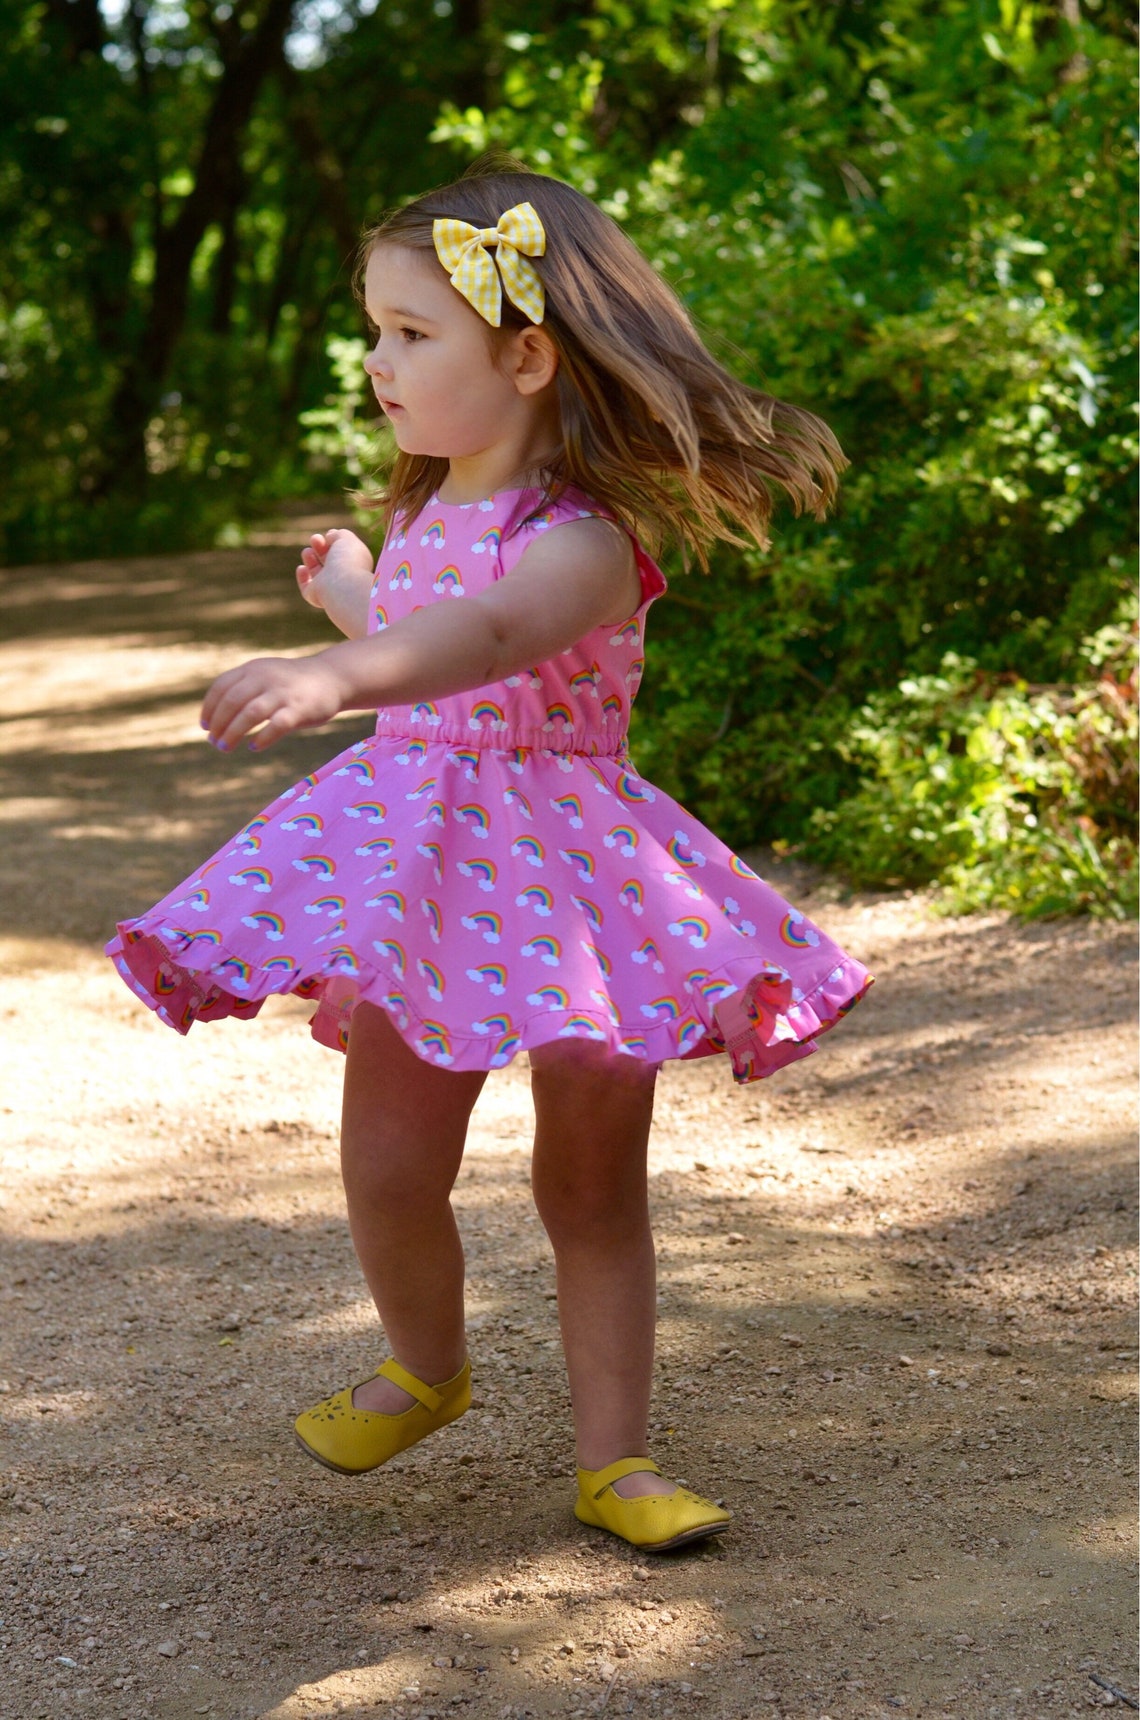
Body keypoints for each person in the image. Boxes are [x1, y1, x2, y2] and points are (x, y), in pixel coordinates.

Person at [107, 163, 872, 1554]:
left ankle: (614, 1460)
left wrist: (340, 666)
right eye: (376, 330)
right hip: (426, 885)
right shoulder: (425, 518)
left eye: (411, 333)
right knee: (390, 1162)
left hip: (572, 884)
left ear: (525, 356)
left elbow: (495, 639)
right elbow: (434, 635)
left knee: (589, 1181)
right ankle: (426, 1366)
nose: (377, 361)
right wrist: (356, 592)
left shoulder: (581, 539)